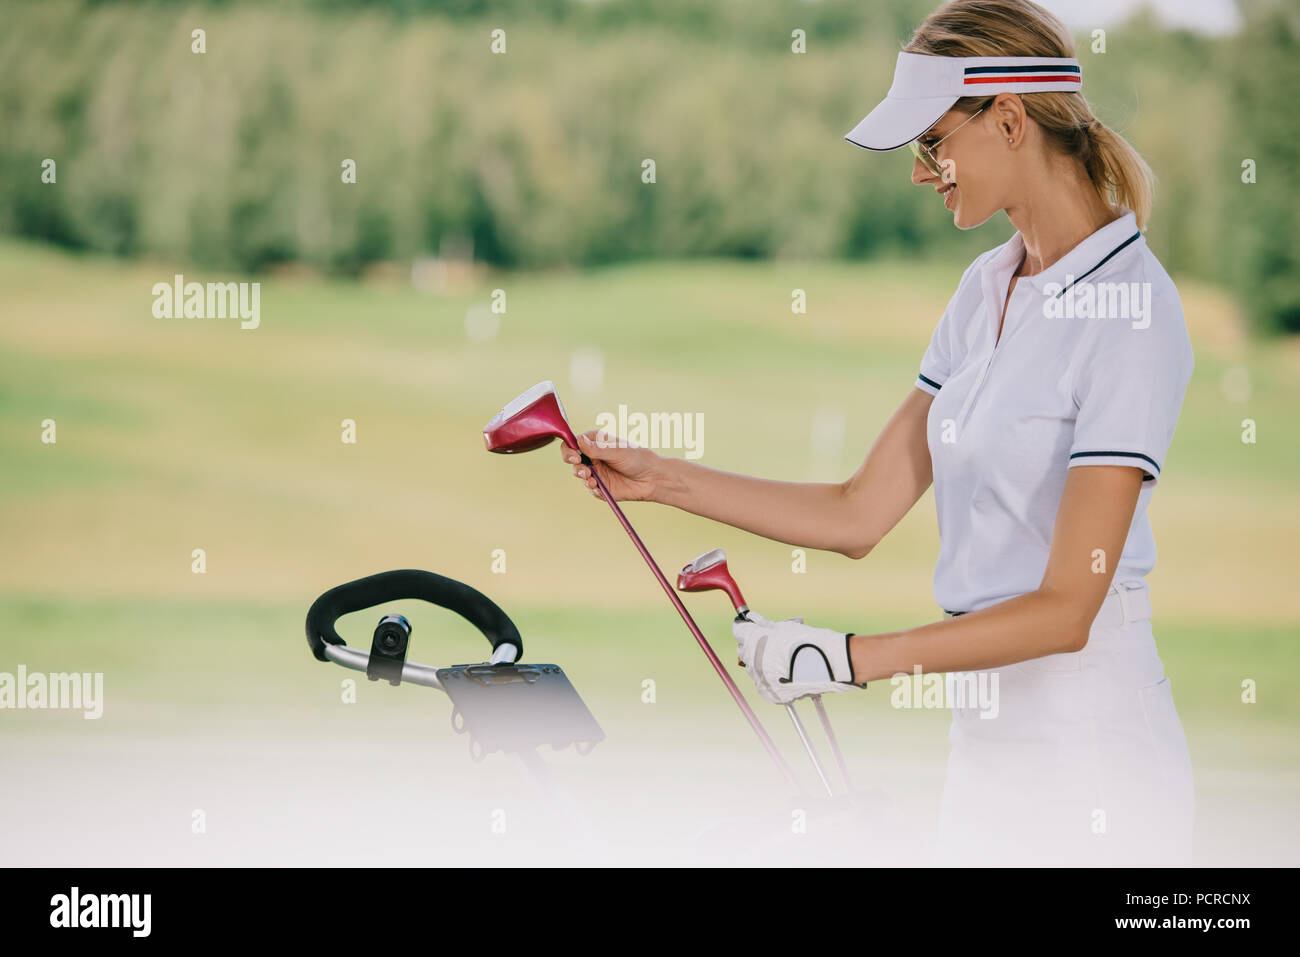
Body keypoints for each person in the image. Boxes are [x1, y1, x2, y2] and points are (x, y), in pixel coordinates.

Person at [560, 0, 1195, 866]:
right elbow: (860, 512)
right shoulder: (985, 289)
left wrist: (852, 658)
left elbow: (1068, 608)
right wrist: (658, 477)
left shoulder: (1133, 311)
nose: (920, 170)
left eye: (932, 141)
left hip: (1094, 761)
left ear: (1008, 118)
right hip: (985, 754)